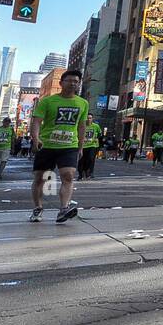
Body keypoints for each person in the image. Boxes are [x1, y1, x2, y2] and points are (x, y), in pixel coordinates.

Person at [29, 69, 89, 223]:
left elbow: (81, 127)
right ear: (61, 83)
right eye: (69, 81)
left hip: (69, 146)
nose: (73, 84)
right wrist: (36, 139)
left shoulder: (83, 103)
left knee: (68, 175)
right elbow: (36, 121)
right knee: (40, 179)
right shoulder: (48, 101)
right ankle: (38, 208)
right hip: (47, 145)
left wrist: (81, 147)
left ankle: (64, 209)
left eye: (76, 81)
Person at [78, 114, 101, 180]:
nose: (89, 119)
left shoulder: (96, 126)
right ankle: (80, 174)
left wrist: (96, 138)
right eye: (87, 118)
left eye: (90, 118)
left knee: (90, 159)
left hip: (92, 145)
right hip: (83, 146)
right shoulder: (82, 125)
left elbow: (99, 133)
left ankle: (87, 171)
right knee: (81, 160)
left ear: (92, 119)